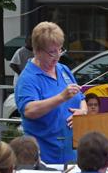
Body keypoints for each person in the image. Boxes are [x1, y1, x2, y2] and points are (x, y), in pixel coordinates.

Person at [15, 21, 87, 164]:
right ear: (37, 51)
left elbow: (81, 98)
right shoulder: (28, 78)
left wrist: (82, 112)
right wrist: (61, 97)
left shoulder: (63, 70)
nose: (57, 56)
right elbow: (29, 110)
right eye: (52, 52)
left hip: (72, 155)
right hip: (44, 158)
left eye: (60, 50)